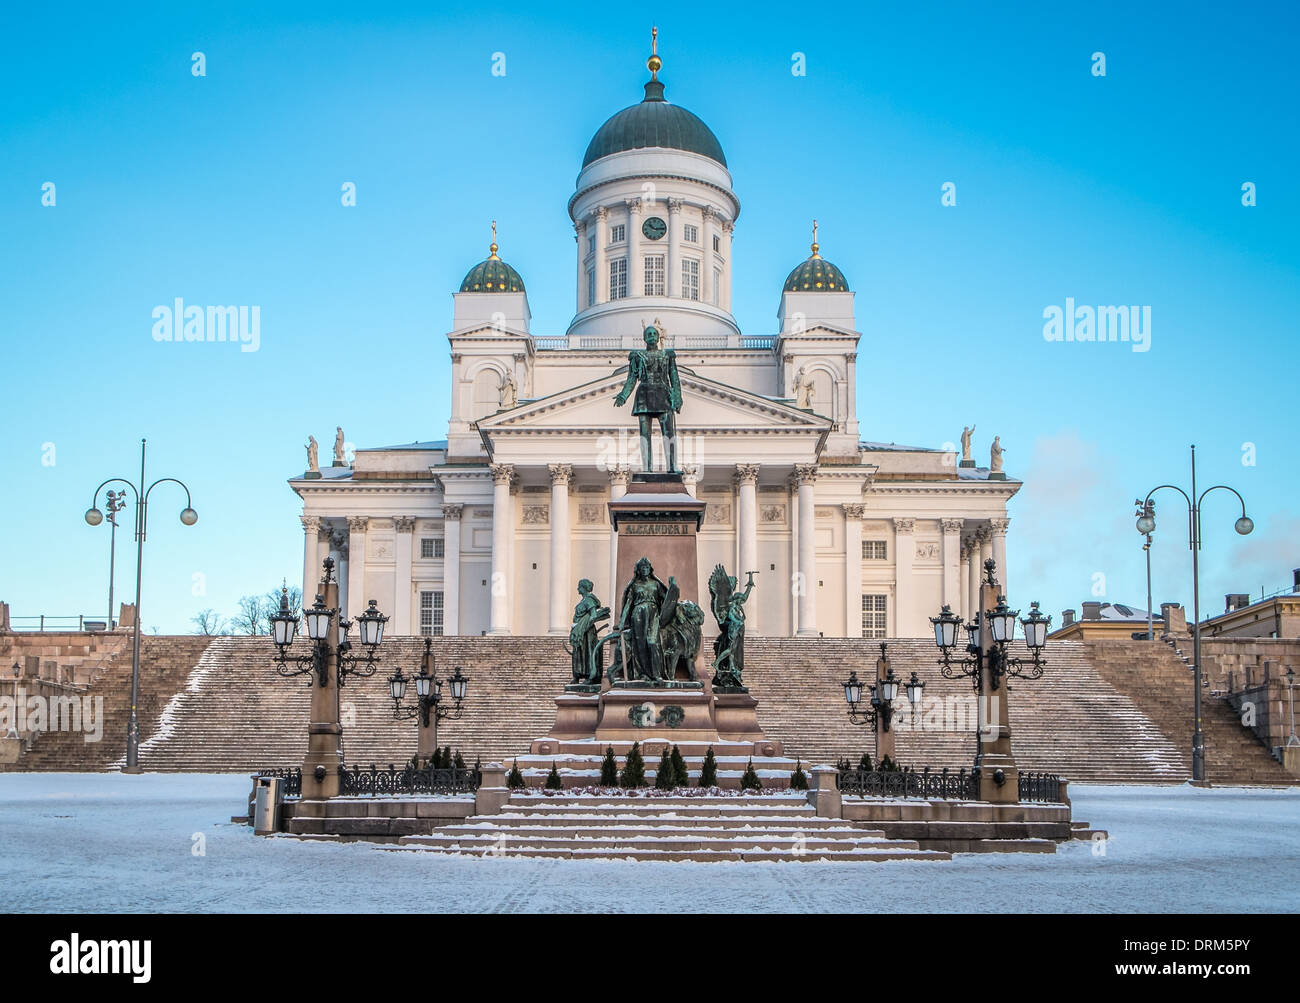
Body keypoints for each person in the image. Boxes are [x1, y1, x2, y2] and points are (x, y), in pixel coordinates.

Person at [613, 325, 682, 472]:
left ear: (658, 337)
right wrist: (623, 396)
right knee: (645, 435)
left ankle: (672, 467)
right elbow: (632, 378)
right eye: (648, 334)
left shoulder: (667, 355)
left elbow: (674, 377)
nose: (651, 336)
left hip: (663, 394)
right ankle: (647, 468)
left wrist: (677, 398)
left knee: (668, 432)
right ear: (644, 338)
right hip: (644, 395)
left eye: (654, 334)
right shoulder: (637, 357)